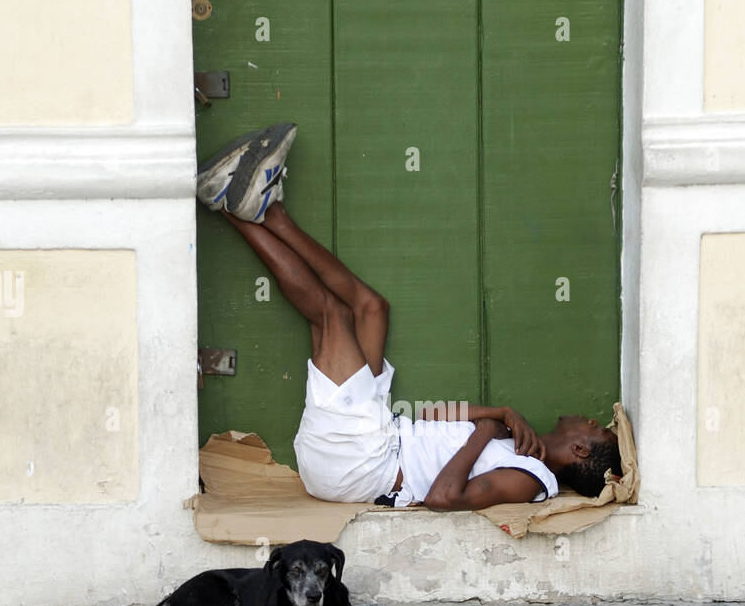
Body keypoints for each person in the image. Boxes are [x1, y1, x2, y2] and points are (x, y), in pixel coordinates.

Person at [197, 124, 622, 512]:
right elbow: (430, 417)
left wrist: (485, 432)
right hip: (381, 432)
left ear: (581, 451)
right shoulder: (518, 440)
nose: (589, 419)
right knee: (371, 308)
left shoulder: (531, 479)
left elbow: (442, 498)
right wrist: (499, 413)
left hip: (358, 463)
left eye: (594, 429)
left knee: (333, 319)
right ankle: (269, 211)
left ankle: (230, 205)